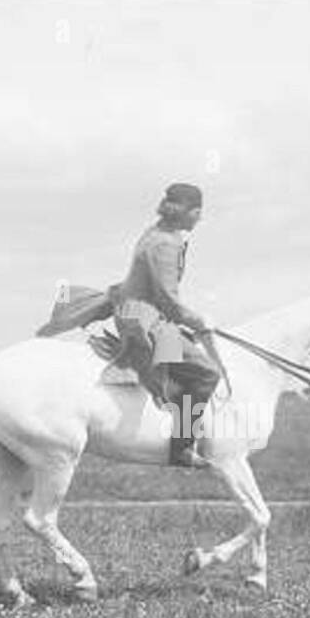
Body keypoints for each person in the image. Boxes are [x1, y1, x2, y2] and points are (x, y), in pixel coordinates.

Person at [113, 183, 223, 467]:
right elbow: (169, 300)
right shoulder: (166, 244)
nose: (200, 218)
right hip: (146, 320)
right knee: (207, 373)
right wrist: (201, 322)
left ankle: (172, 407)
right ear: (189, 213)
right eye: (198, 212)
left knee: (184, 350)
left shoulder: (157, 231)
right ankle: (181, 448)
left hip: (145, 314)